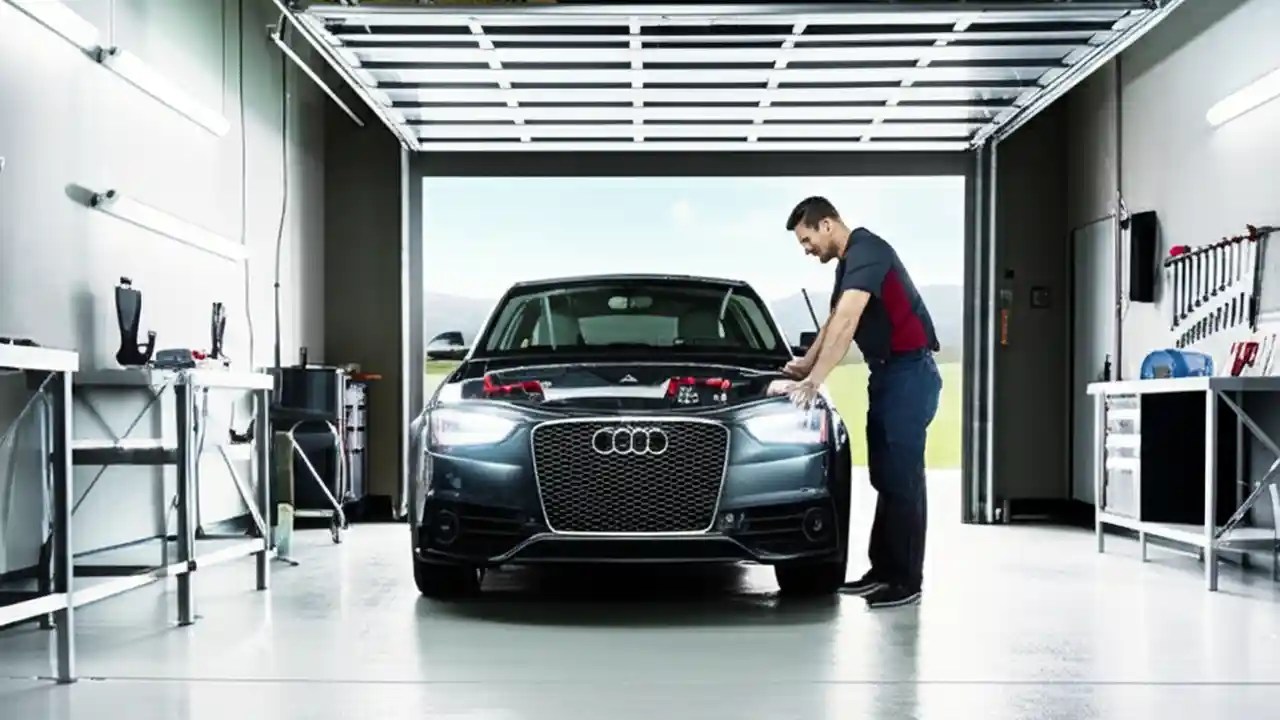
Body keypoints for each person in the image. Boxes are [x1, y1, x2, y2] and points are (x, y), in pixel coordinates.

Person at [778, 196, 942, 609]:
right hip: (886, 375)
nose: (807, 249)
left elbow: (848, 321)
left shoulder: (869, 252)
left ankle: (905, 581)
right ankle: (881, 573)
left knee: (903, 480)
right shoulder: (849, 263)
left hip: (910, 375)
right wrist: (805, 364)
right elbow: (834, 319)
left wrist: (816, 381)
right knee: (885, 476)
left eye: (807, 240)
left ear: (827, 225)